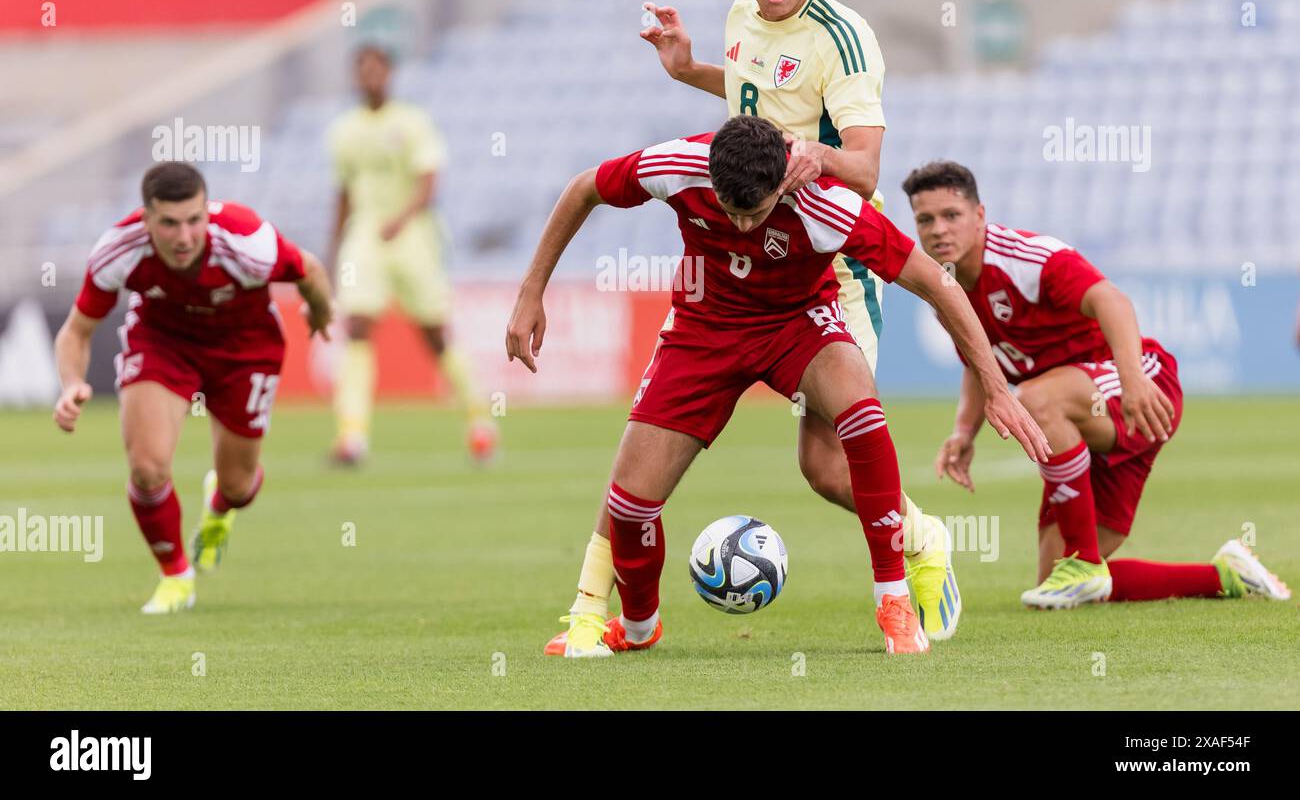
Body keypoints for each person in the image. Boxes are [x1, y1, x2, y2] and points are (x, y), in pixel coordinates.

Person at [544, 0, 960, 652]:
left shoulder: (845, 39)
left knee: (826, 467)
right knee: (642, 465)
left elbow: (866, 172)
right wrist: (689, 71)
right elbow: (751, 100)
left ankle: (921, 540)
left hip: (823, 265)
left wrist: (810, 155)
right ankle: (600, 614)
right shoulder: (743, 11)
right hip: (735, 259)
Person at [507, 116, 1050, 656]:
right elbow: (584, 189)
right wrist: (532, 292)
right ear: (712, 180)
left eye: (757, 213)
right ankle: (640, 625)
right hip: (705, 329)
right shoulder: (677, 166)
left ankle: (894, 601)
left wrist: (996, 387)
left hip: (799, 325)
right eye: (731, 212)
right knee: (630, 506)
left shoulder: (826, 205)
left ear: (781, 185)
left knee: (860, 417)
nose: (743, 227)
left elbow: (935, 283)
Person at [902, 160, 1291, 606]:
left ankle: (1085, 560)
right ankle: (1224, 575)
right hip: (1077, 413)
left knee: (1033, 401)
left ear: (980, 215)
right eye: (925, 219)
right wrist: (963, 432)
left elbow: (1113, 301)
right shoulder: (944, 290)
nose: (938, 230)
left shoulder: (1025, 259)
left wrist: (1133, 382)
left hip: (1136, 382)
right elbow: (980, 361)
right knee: (1055, 578)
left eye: (951, 215)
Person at [52, 162, 334, 613]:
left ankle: (219, 507)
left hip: (245, 348)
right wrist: (70, 385)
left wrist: (320, 312)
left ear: (207, 212)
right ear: (146, 220)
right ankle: (176, 576)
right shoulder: (118, 251)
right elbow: (75, 331)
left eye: (194, 220)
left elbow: (309, 269)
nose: (184, 237)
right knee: (147, 467)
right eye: (169, 223)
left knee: (239, 486)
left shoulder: (247, 241)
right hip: (165, 344)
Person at [326, 43, 496, 464]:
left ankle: (479, 419)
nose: (370, 75)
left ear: (390, 72)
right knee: (358, 327)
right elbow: (344, 193)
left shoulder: (412, 122)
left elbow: (428, 182)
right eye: (362, 67)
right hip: (366, 234)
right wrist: (333, 251)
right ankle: (352, 436)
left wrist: (401, 220)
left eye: (377, 67)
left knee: (434, 334)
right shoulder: (344, 130)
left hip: (412, 234)